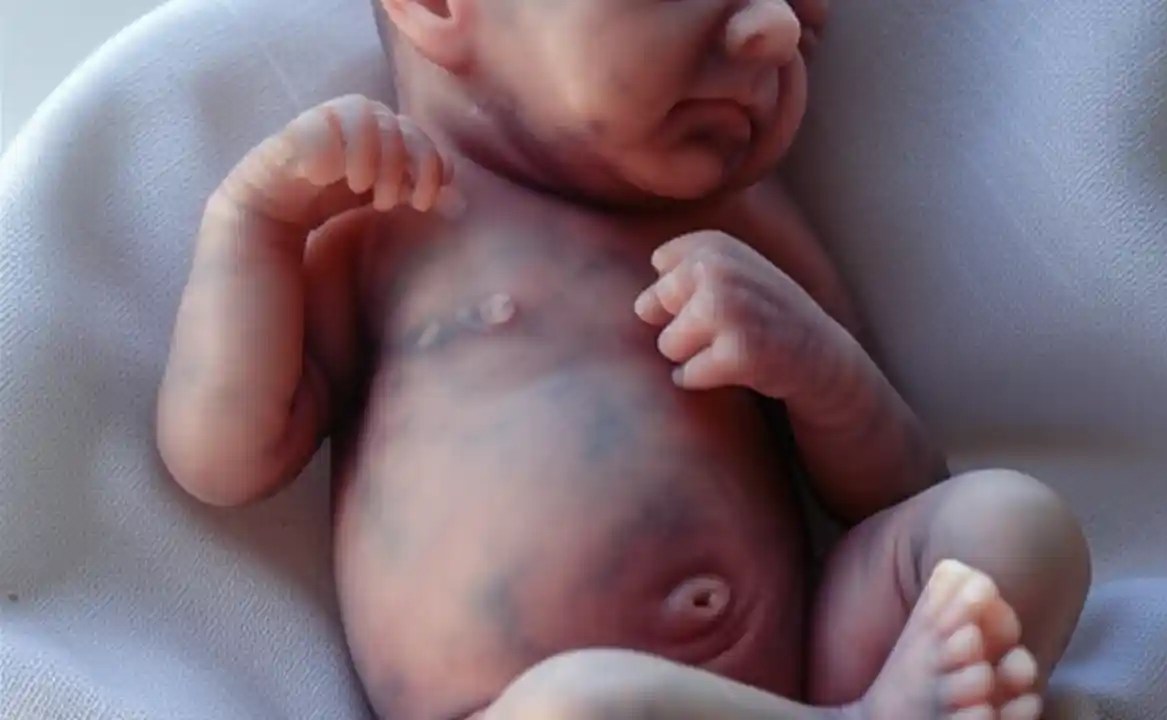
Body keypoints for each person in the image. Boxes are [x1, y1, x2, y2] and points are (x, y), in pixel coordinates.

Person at [157, 1, 1090, 718]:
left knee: (1010, 521)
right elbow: (224, 460)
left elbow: (893, 489)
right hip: (527, 707)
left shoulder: (745, 224)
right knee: (579, 704)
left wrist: (815, 364)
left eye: (803, 20)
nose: (770, 30)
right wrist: (251, 228)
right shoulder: (379, 225)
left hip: (808, 667)